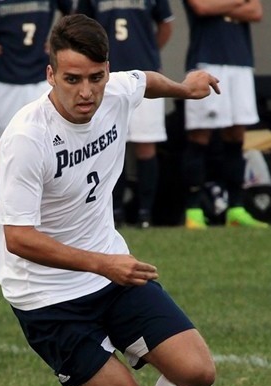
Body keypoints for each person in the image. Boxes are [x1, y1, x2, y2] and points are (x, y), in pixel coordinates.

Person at [0, 14, 219, 386]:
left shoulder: (115, 91)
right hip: (46, 296)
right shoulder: (27, 138)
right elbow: (19, 238)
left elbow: (144, 81)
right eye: (72, 79)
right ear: (50, 74)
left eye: (95, 77)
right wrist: (104, 263)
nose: (87, 92)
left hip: (110, 271)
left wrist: (185, 88)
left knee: (196, 371)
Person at [0, 0, 74, 235]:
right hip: (3, 80)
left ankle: (53, 214)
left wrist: (57, 42)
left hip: (41, 78)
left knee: (55, 144)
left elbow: (73, 11)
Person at [79, 0, 174, 229]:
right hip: (107, 79)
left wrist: (149, 52)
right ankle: (114, 211)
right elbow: (81, 30)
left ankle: (145, 214)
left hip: (143, 74)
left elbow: (166, 25)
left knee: (145, 144)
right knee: (108, 144)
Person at [181, 0, 267, 229]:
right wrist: (239, 2)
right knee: (200, 136)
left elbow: (257, 11)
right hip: (206, 60)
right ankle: (193, 211)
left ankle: (236, 209)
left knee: (236, 136)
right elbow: (202, 7)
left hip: (240, 62)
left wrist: (220, 6)